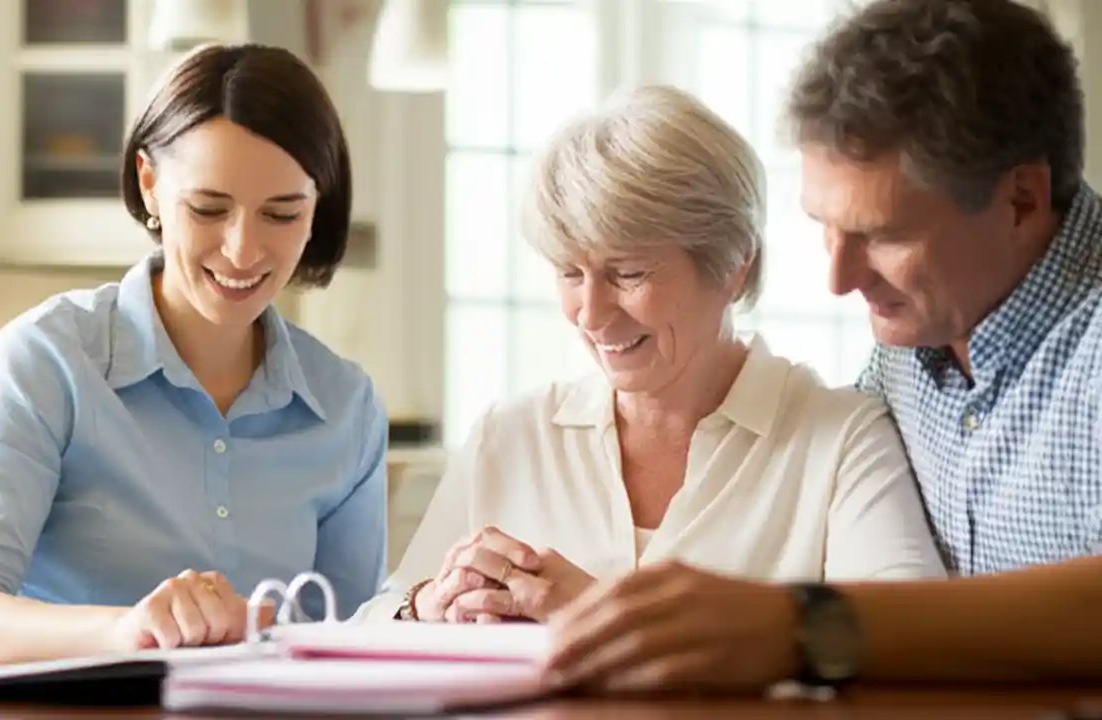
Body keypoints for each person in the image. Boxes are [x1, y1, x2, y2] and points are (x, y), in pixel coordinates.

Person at [543, 0, 1102, 692]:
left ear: (1020, 200)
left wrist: (802, 625)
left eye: (883, 234)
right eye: (826, 227)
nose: (839, 279)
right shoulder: (904, 355)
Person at [355, 84, 944, 625]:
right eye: (569, 273)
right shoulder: (509, 436)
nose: (590, 313)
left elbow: (907, 640)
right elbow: (366, 633)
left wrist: (600, 612)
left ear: (735, 264)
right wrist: (425, 603)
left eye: (628, 274)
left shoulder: (840, 440)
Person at [0, 44, 388, 669]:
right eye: (208, 208)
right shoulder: (48, 362)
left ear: (316, 207)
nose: (243, 250)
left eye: (281, 213)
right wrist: (126, 631)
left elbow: (350, 647)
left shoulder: (345, 406)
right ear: (150, 184)